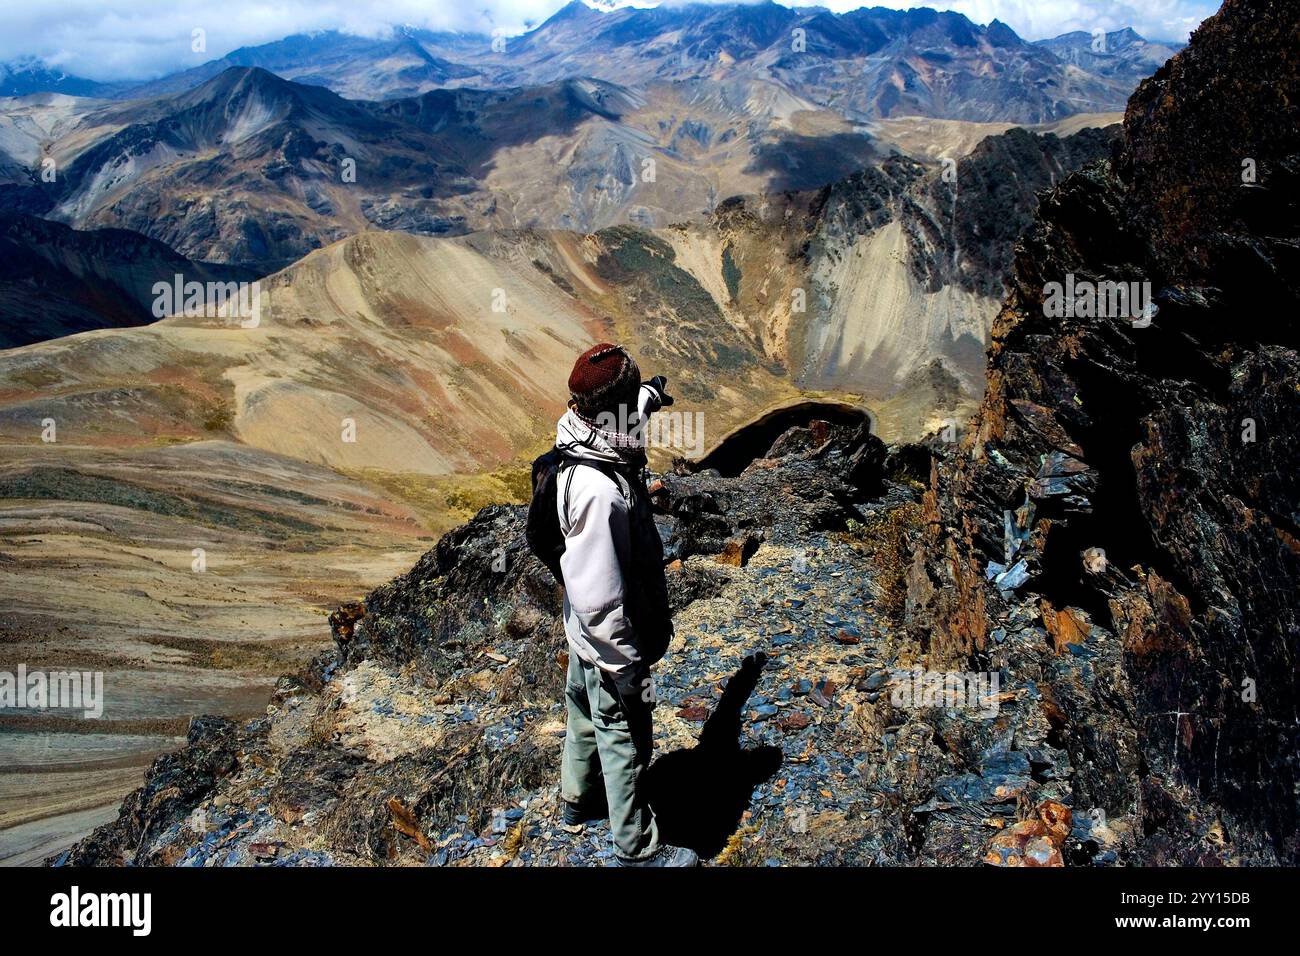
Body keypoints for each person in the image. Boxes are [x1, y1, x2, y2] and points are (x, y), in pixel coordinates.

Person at [553, 342, 698, 867]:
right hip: (607, 641)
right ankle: (637, 847)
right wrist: (627, 667)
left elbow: (631, 407)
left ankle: (577, 799)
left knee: (582, 713)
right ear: (608, 409)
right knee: (625, 735)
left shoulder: (595, 430)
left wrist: (651, 394)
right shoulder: (598, 491)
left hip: (581, 637)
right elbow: (599, 602)